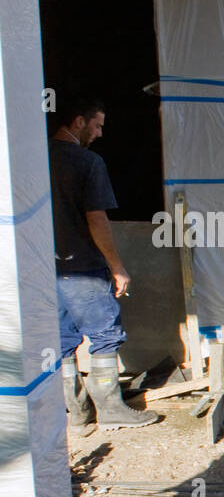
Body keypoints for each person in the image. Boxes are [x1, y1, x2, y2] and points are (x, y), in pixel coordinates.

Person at [49, 95, 158, 430]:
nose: (98, 134)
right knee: (105, 335)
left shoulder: (29, 158)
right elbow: (97, 220)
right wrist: (117, 266)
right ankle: (111, 409)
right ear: (78, 121)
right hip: (83, 269)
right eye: (96, 125)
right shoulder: (88, 163)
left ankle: (77, 415)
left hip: (44, 270)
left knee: (61, 341)